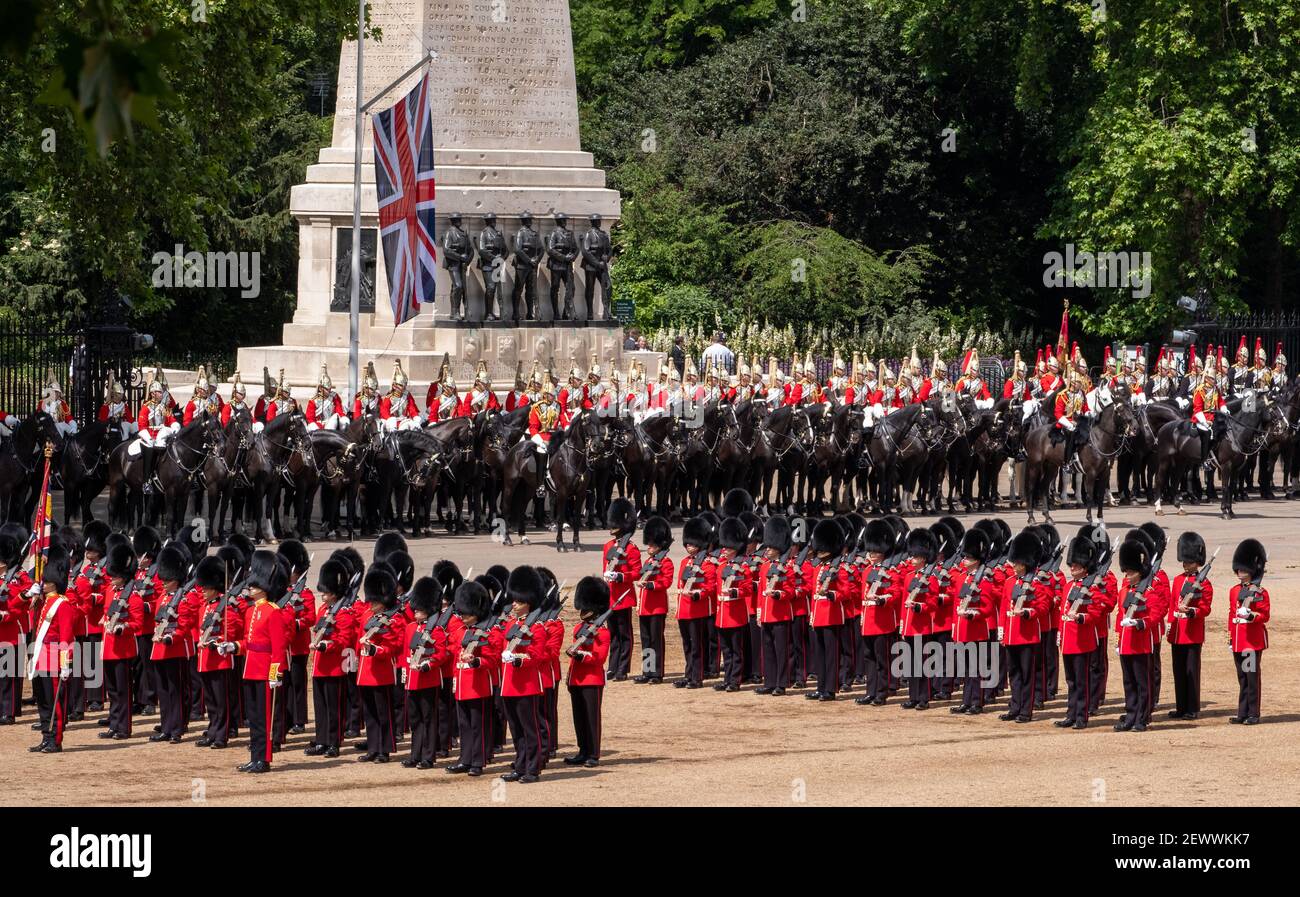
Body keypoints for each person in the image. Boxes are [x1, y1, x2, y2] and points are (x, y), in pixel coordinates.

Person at [304, 558, 357, 759]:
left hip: (334, 666)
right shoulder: (323, 611)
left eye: (325, 592)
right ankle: (322, 740)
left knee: (334, 708)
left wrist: (327, 645)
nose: (323, 595)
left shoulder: (343, 614)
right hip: (319, 665)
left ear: (334, 593)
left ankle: (334, 742)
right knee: (320, 707)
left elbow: (344, 639)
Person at [500, 566, 549, 783]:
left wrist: (519, 659)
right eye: (514, 601)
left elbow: (537, 655)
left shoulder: (537, 628)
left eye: (518, 602)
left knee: (530, 730)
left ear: (528, 602)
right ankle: (520, 766)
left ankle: (533, 768)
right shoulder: (511, 624)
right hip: (510, 683)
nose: (514, 604)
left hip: (527, 683)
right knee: (516, 729)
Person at [446, 580, 500, 776]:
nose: (463, 617)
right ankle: (465, 759)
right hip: (461, 683)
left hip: (478, 685)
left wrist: (477, 660)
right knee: (464, 725)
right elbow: (451, 646)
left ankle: (478, 760)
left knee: (478, 725)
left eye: (467, 614)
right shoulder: (461, 630)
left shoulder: (489, 631)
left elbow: (493, 658)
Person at [148, 544, 199, 744]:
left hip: (175, 649)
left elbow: (185, 624)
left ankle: (177, 728)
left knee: (176, 690)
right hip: (160, 648)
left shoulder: (185, 598)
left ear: (176, 580)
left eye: (167, 580)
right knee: (163, 691)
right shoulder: (162, 597)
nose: (163, 583)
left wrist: (171, 637)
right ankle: (166, 726)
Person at [27, 549, 76, 753]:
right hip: (40, 656)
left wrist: (66, 663)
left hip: (54, 658)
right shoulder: (44, 601)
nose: (43, 583)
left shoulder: (62, 605)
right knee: (43, 700)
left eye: (46, 580)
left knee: (54, 701)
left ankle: (55, 739)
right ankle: (46, 736)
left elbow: (66, 637)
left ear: (54, 581)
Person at [999, 530, 1052, 723]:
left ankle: (1025, 710)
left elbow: (1044, 607)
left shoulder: (1037, 582)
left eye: (1018, 563)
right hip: (1012, 635)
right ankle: (1015, 707)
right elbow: (1005, 607)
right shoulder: (1009, 582)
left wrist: (1028, 613)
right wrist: (1002, 632)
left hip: (1028, 635)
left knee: (1027, 674)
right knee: (1014, 674)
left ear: (1026, 562)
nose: (1014, 566)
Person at [1056, 535, 1107, 729]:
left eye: (1076, 566)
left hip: (1082, 640)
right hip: (1069, 641)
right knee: (1071, 681)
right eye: (1072, 565)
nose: (1072, 568)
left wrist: (1081, 618)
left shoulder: (1092, 587)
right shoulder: (1069, 586)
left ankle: (1081, 716)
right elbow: (1062, 613)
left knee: (1081, 681)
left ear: (1085, 567)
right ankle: (1071, 713)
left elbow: (1095, 612)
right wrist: (1060, 635)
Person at [354, 566, 404, 762]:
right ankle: (373, 747)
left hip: (382, 670)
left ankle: (385, 748)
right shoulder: (367, 615)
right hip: (365, 670)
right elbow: (359, 639)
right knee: (370, 712)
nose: (371, 603)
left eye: (375, 600)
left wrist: (376, 650)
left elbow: (394, 645)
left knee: (384, 712)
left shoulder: (395, 619)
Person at [193, 555, 243, 749]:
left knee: (221, 700)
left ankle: (221, 735)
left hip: (219, 659)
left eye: (205, 588)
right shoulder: (205, 607)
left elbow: (232, 630)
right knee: (211, 700)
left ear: (214, 588)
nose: (202, 591)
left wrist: (217, 641)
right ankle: (213, 731)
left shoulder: (226, 607)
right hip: (205, 659)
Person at [402, 577, 448, 769]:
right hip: (412, 679)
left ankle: (428, 757)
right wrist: (405, 674)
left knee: (429, 719)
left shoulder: (436, 630)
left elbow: (441, 654)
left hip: (428, 679)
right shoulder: (411, 628)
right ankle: (416, 754)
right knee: (415, 719)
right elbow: (406, 652)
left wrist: (429, 663)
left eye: (419, 610)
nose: (416, 612)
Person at [566, 576, 610, 767]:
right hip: (576, 679)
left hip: (592, 680)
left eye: (585, 608)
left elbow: (599, 659)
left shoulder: (602, 632)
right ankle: (583, 750)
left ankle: (593, 753)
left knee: (592, 719)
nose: (582, 611)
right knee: (579, 718)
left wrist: (580, 655)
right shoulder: (578, 628)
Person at [1167, 531, 1212, 720]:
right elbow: (1171, 604)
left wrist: (1191, 612)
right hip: (1178, 631)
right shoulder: (1178, 580)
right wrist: (1171, 624)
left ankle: (1192, 708)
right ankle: (1181, 706)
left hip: (1192, 633)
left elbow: (1205, 608)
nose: (1186, 565)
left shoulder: (1204, 583)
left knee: (1191, 671)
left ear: (1197, 562)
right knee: (1178, 671)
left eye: (1190, 562)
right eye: (1185, 562)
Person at [807, 519, 850, 702]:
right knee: (820, 654)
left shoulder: (838, 568)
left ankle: (831, 689)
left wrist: (831, 594)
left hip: (831, 616)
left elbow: (846, 592)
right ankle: (821, 686)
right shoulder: (819, 567)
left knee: (831, 655)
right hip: (818, 615)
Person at [1227, 539, 1269, 724]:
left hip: (1251, 643)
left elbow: (1264, 615)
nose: (1240, 573)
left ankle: (1253, 713)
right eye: (1239, 569)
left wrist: (1251, 615)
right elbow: (1231, 615)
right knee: (1242, 677)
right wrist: (1230, 638)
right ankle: (1242, 712)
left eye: (1243, 570)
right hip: (1238, 641)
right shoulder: (1234, 591)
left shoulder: (1260, 592)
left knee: (1252, 678)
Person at [633, 516, 672, 684]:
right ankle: (647, 671)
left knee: (656, 640)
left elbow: (666, 582)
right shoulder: (649, 562)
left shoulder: (666, 562)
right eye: (648, 545)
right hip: (645, 608)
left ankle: (657, 673)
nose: (649, 548)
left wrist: (650, 586)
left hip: (657, 608)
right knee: (646, 641)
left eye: (652, 545)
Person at [305, 364, 348, 431]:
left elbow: (339, 412)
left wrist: (343, 420)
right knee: (312, 426)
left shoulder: (334, 397)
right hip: (319, 425)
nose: (329, 390)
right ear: (321, 388)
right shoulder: (313, 401)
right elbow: (310, 419)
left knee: (344, 420)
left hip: (333, 423)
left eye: (330, 388)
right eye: (327, 389)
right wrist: (319, 426)